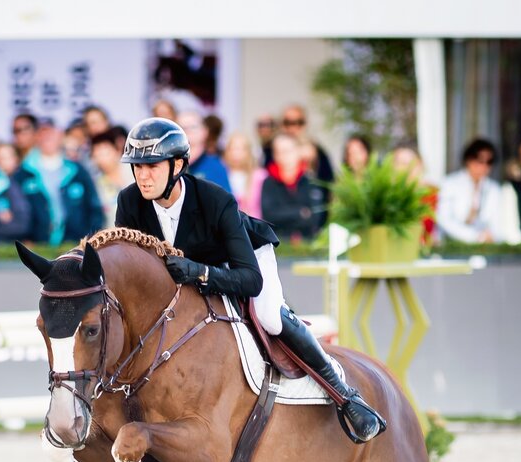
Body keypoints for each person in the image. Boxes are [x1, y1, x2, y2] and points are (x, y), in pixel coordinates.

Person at [115, 117, 385, 444]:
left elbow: (250, 280)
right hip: (184, 273)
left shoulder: (215, 200)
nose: (143, 176)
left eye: (152, 166)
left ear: (178, 166)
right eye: (137, 167)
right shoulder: (129, 202)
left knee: (270, 316)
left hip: (243, 259)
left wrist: (199, 273)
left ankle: (345, 396)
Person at [17, 117, 103, 245]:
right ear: (36, 137)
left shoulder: (77, 171)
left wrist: (90, 240)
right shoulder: (23, 173)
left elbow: (94, 208)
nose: (47, 138)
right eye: (42, 133)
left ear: (60, 135)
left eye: (51, 133)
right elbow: (18, 212)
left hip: (76, 244)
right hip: (38, 246)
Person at [260, 132, 326, 241]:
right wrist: (300, 212)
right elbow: (269, 216)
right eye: (278, 152)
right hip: (279, 243)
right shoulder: (269, 182)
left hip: (308, 243)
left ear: (298, 151)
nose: (283, 156)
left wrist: (285, 214)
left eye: (287, 151)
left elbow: (316, 217)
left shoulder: (310, 181)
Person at [436, 138, 503, 243]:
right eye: (480, 160)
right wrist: (475, 237)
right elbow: (443, 219)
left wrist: (490, 236)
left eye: (489, 162)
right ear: (469, 160)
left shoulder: (493, 189)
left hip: (484, 246)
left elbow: (496, 224)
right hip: (451, 244)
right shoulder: (449, 184)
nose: (484, 166)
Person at [276, 104, 334, 184]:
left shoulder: (317, 151)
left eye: (299, 122)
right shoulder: (271, 150)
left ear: (305, 124)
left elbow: (328, 181)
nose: (293, 128)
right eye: (287, 122)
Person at [177, 110, 231, 192]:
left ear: (204, 131)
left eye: (193, 127)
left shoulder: (216, 167)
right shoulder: (170, 165)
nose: (188, 131)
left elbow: (226, 198)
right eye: (182, 127)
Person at [90, 130, 134, 226]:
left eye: (105, 153)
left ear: (117, 150)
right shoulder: (97, 184)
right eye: (98, 155)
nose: (102, 159)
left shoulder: (133, 170)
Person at [222, 131, 267, 219]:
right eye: (232, 148)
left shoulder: (260, 176)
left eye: (241, 149)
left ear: (248, 151)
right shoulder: (221, 174)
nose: (236, 153)